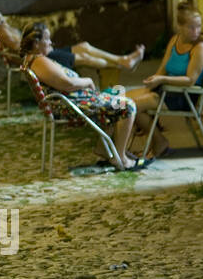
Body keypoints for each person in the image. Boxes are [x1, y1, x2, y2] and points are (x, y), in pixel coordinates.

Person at [21, 22, 144, 172]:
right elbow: (66, 83)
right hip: (69, 106)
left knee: (112, 96)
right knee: (127, 105)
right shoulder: (39, 61)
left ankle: (104, 150)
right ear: (36, 43)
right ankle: (120, 158)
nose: (50, 42)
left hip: (70, 102)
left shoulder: (35, 59)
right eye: (47, 39)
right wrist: (88, 81)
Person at [126, 2, 203, 160]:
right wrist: (151, 84)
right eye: (191, 27)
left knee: (133, 106)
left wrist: (162, 80)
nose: (196, 31)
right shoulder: (175, 40)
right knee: (125, 99)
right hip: (166, 90)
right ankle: (147, 143)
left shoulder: (200, 47)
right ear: (180, 26)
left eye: (198, 26)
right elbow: (162, 69)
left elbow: (190, 80)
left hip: (183, 96)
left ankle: (159, 142)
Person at [0, 6, 144, 72]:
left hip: (46, 52)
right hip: (43, 58)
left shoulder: (5, 27)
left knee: (84, 46)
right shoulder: (4, 33)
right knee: (86, 57)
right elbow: (23, 50)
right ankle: (121, 65)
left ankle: (122, 60)